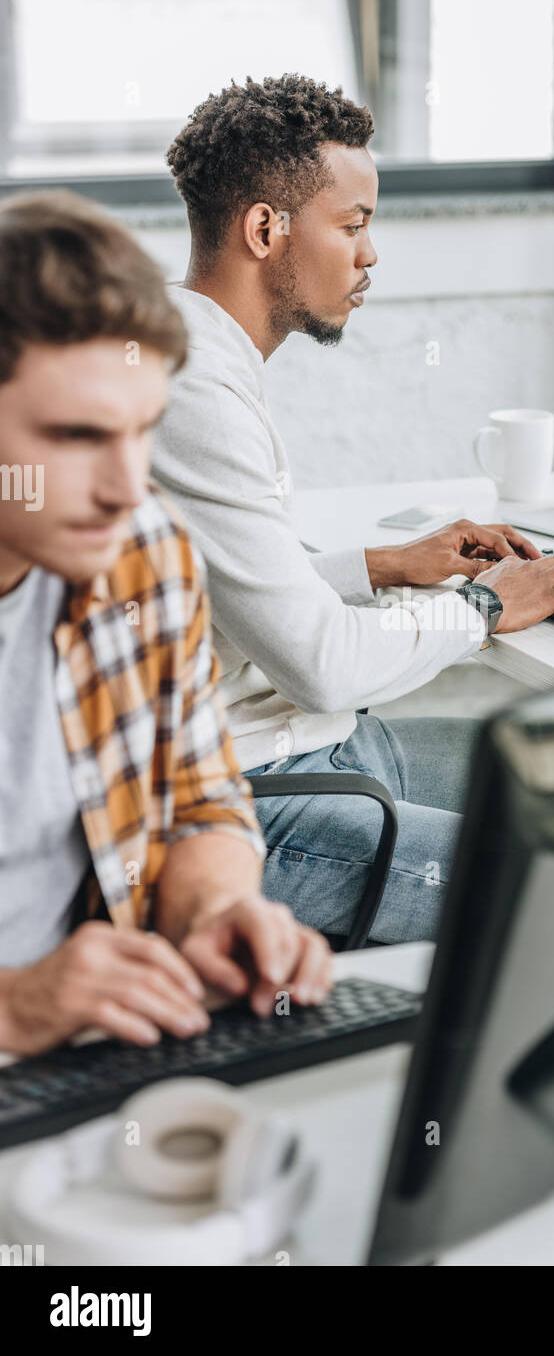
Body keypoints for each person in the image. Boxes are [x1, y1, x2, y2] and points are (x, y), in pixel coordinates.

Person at [151, 73, 554, 944]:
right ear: (266, 230)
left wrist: (381, 566)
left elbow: (219, 591)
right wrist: (483, 608)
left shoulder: (194, 348)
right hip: (252, 808)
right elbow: (320, 664)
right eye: (351, 227)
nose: (369, 254)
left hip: (309, 748)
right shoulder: (193, 393)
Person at [0, 191, 331, 1057]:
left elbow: (198, 801)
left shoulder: (144, 554)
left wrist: (219, 910)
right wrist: (13, 1006)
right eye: (77, 437)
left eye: (142, 432)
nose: (123, 487)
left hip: (94, 1051)